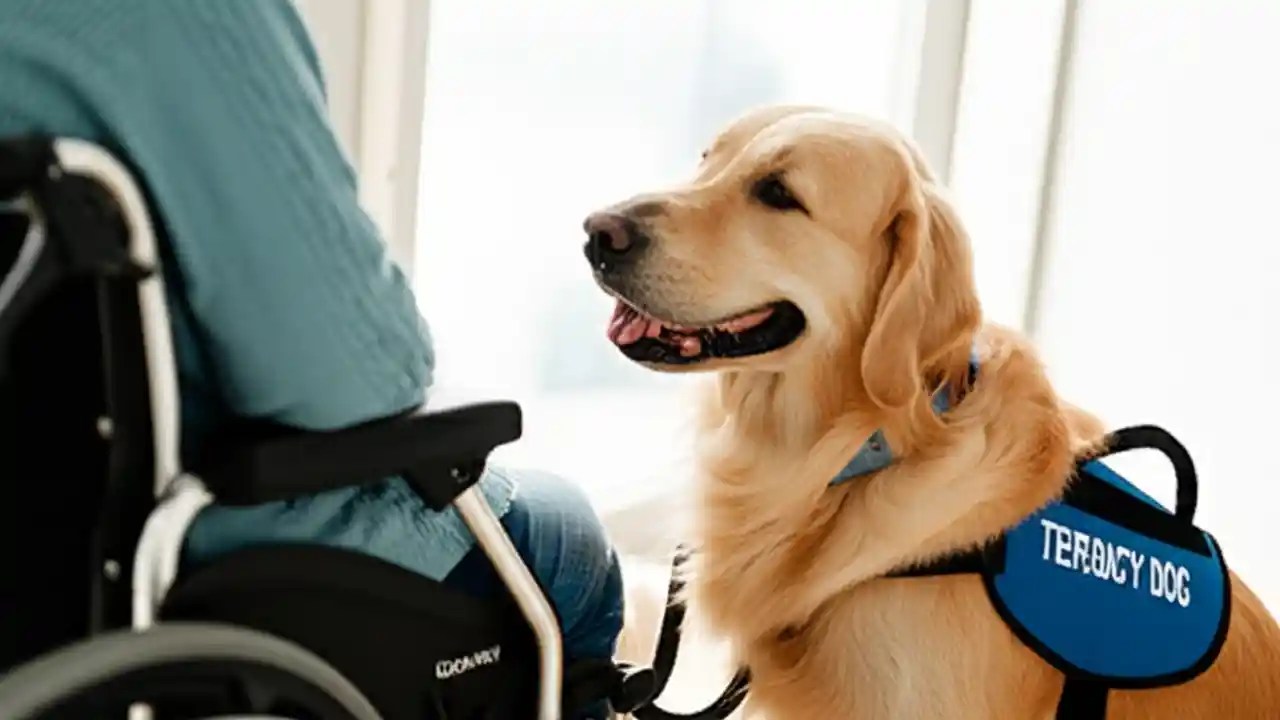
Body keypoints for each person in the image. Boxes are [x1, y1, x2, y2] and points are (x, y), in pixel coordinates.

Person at [0, 0, 623, 714]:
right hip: (199, 558)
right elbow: (356, 382)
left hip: (27, 596)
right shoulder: (176, 17)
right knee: (566, 539)